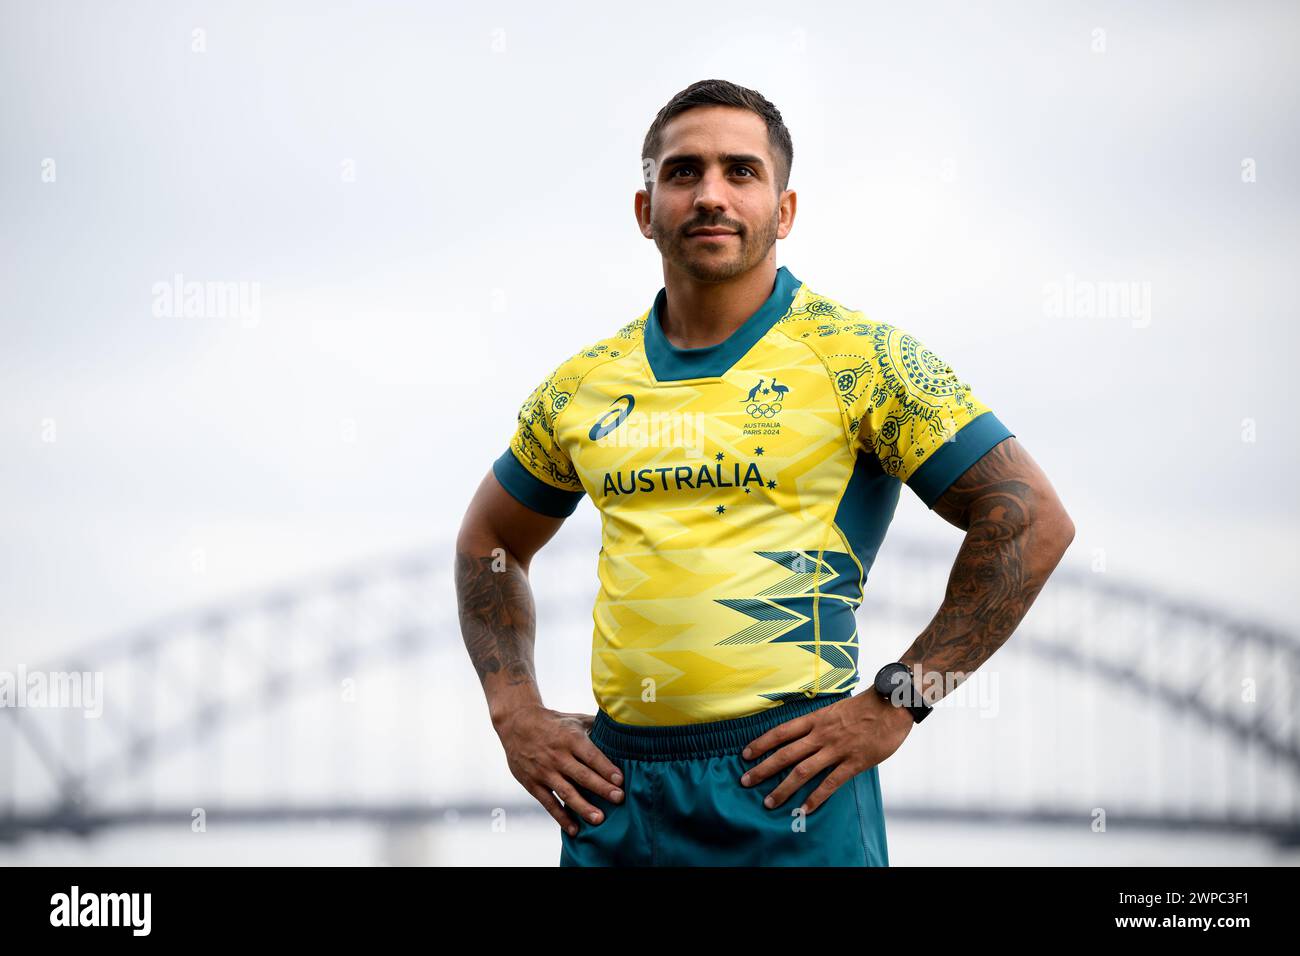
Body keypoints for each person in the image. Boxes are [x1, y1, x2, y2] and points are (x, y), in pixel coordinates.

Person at [454, 79, 1075, 866]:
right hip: (615, 795)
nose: (711, 194)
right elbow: (490, 542)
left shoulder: (862, 358)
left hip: (791, 786)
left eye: (740, 171)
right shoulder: (583, 384)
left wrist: (902, 700)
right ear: (645, 211)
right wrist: (515, 714)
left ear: (783, 211)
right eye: (682, 172)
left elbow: (1030, 518)